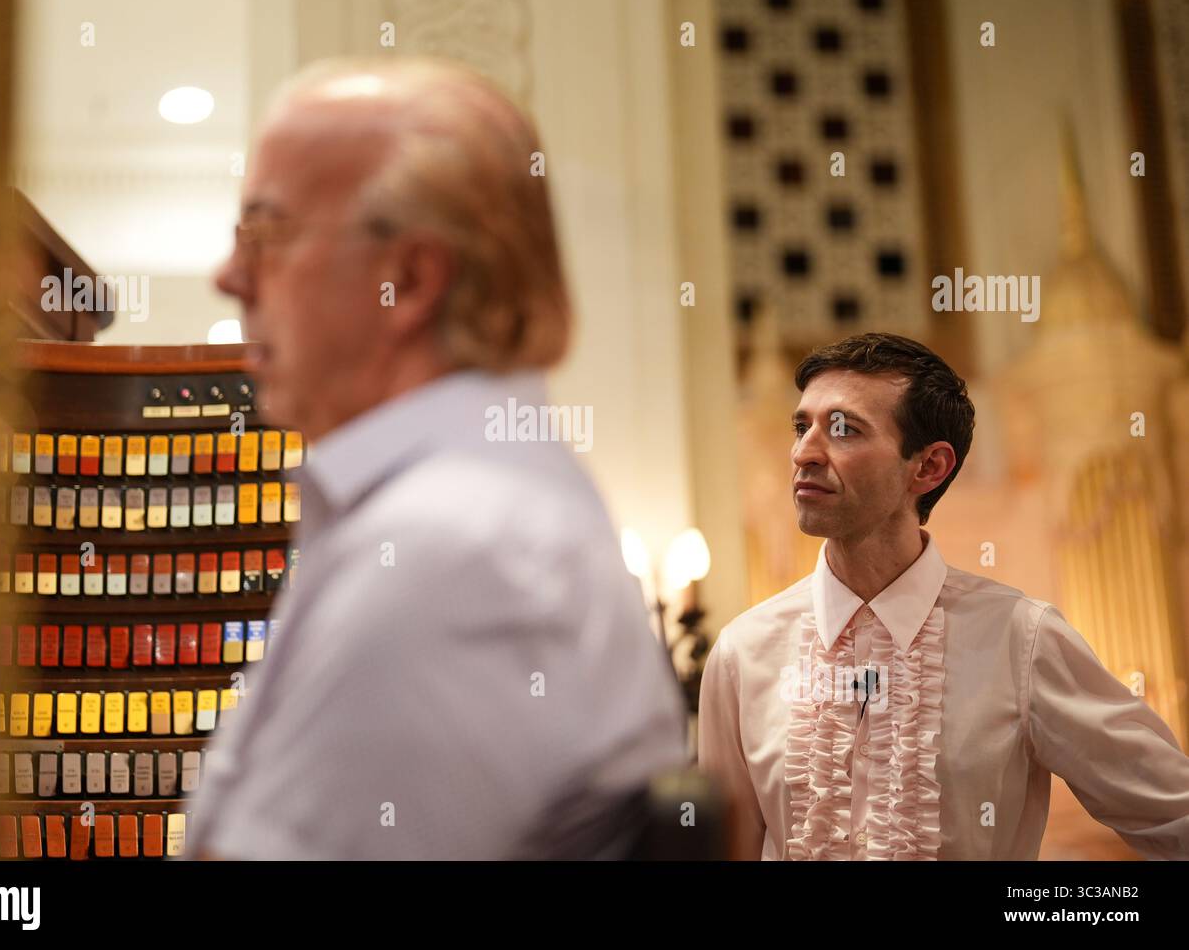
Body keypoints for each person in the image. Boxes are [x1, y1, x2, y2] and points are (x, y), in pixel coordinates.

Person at [188, 57, 686, 859]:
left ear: (409, 280)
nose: (229, 276)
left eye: (265, 233)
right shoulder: (465, 515)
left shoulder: (452, 551)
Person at [699, 332, 1189, 860]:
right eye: (802, 427)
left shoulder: (1022, 642)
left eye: (842, 429)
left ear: (929, 467)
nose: (804, 453)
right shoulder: (740, 654)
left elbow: (1174, 815)